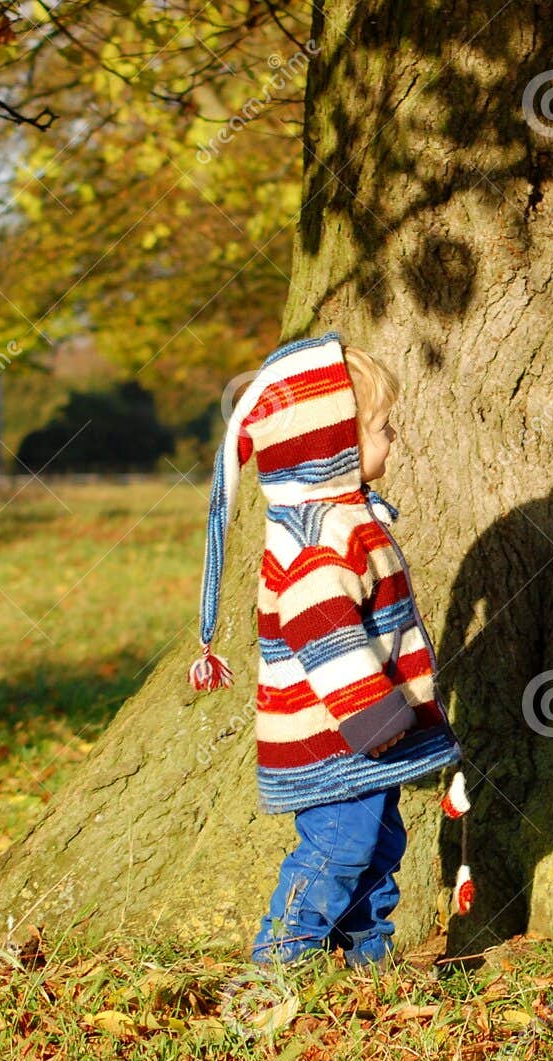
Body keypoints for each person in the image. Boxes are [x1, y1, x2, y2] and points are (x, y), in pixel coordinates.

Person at [188, 331, 474, 971]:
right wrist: (374, 715)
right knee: (340, 846)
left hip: (366, 736)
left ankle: (364, 957)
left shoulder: (347, 516)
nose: (392, 437)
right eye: (378, 427)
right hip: (338, 732)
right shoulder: (321, 533)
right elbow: (323, 630)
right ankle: (279, 959)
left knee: (380, 841)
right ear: (330, 446)